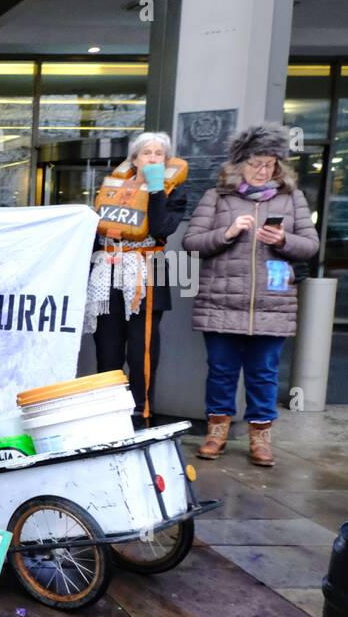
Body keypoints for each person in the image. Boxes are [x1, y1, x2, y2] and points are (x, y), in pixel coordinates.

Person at [182, 123, 319, 467]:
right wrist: (227, 233)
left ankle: (260, 441)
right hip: (221, 302)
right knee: (222, 372)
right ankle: (216, 435)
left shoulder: (292, 198)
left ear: (278, 165)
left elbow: (311, 246)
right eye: (255, 163)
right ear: (239, 163)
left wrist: (283, 241)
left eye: (269, 164)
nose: (262, 171)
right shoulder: (217, 197)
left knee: (264, 374)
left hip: (272, 306)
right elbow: (191, 242)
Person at [86, 132, 188, 424]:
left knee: (142, 349)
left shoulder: (173, 191)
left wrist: (156, 189)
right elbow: (96, 231)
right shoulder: (112, 187)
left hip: (146, 269)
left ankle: (141, 411)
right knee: (107, 347)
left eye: (159, 154)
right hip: (108, 268)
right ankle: (107, 411)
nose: (153, 158)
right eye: (147, 153)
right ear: (134, 159)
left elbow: (161, 228)